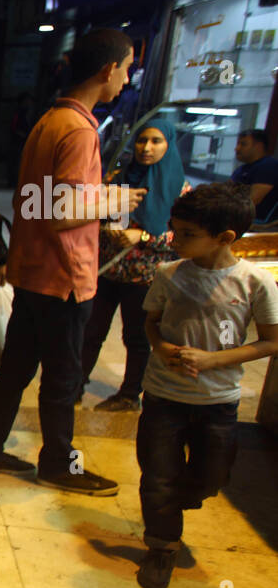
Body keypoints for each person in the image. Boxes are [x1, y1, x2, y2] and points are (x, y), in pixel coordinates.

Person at [0, 29, 146, 495]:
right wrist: (115, 201)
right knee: (64, 379)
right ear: (108, 69)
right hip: (63, 277)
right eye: (126, 68)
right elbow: (63, 212)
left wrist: (101, 196)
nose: (126, 79)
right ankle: (61, 464)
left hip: (34, 271)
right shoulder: (80, 129)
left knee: (17, 367)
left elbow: (40, 202)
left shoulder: (51, 121)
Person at [134, 183, 278, 588]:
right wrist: (162, 348)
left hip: (218, 402)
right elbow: (151, 322)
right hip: (164, 396)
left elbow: (271, 340)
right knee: (158, 476)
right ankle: (162, 547)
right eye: (174, 229)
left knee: (210, 477)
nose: (174, 239)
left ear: (225, 237)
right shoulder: (168, 273)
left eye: (186, 234)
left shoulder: (255, 283)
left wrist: (213, 360)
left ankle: (180, 499)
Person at [79, 119, 185, 412]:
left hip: (147, 277)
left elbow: (185, 237)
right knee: (92, 331)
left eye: (155, 141)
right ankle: (76, 385)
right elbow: (94, 216)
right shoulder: (119, 179)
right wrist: (109, 229)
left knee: (137, 336)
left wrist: (145, 235)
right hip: (108, 271)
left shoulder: (180, 189)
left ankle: (129, 394)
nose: (146, 148)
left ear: (169, 145)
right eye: (141, 141)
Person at [229, 129, 278, 225]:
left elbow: (253, 200)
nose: (237, 149)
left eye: (243, 144)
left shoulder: (268, 166)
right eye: (238, 144)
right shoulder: (241, 169)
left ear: (258, 146)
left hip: (255, 222)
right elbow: (224, 192)